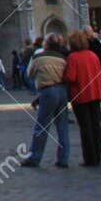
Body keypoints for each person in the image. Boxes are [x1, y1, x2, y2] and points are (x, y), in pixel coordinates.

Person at [20, 35, 71, 168]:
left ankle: (35, 157)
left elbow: (30, 74)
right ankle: (63, 158)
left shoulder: (38, 58)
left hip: (47, 91)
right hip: (62, 90)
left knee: (42, 126)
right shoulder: (63, 59)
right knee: (62, 126)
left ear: (46, 45)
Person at [65, 31, 101, 167]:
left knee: (85, 127)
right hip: (95, 94)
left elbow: (71, 77)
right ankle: (98, 156)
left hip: (80, 96)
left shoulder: (73, 57)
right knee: (95, 125)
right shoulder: (93, 55)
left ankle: (89, 158)